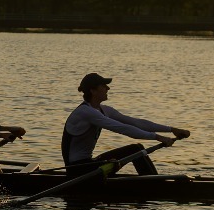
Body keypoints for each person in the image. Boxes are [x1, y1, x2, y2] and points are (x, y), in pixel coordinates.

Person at [61, 72, 189, 176]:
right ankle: (155, 186)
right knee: (135, 149)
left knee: (136, 149)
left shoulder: (104, 110)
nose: (108, 88)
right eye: (104, 86)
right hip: (76, 169)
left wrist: (171, 129)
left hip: (89, 164)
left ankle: (153, 182)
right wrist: (157, 137)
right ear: (93, 91)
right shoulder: (85, 112)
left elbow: (136, 123)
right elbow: (123, 129)